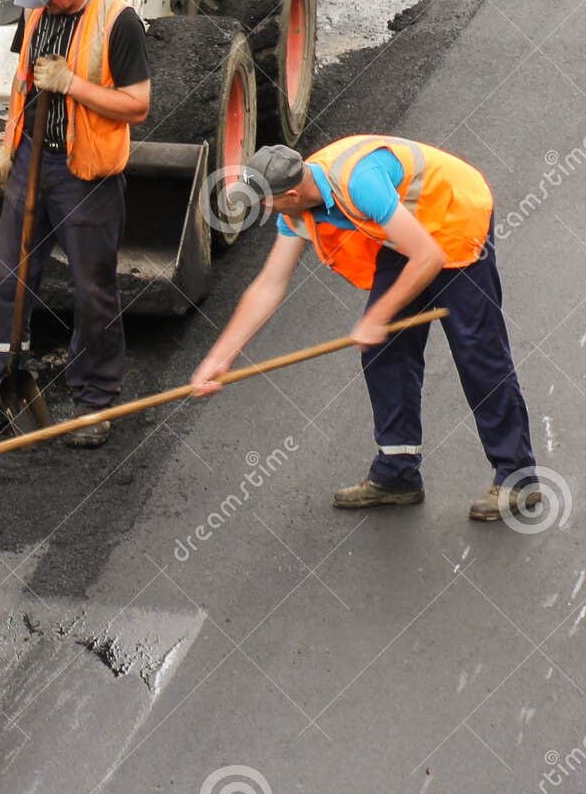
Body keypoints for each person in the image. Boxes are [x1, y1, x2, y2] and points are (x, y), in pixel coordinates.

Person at [190, 139, 538, 522]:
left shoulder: (359, 184)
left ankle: (518, 478)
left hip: (453, 214)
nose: (263, 210)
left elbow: (429, 257)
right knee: (385, 348)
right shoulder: (296, 206)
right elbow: (269, 284)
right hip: (404, 227)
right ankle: (397, 473)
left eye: (267, 202)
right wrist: (219, 359)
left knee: (477, 349)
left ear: (290, 193)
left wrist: (376, 318)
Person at [0, 0, 150, 441]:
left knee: (92, 291)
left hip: (88, 174)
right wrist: (8, 147)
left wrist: (72, 84)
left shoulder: (118, 22)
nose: (38, 3)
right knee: (5, 281)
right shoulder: (35, 12)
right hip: (33, 160)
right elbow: (23, 85)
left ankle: (93, 404)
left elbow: (138, 106)